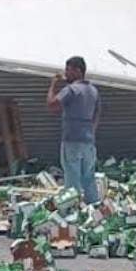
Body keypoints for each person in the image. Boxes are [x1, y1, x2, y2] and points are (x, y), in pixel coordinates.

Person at [46, 55, 101, 204]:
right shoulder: (93, 90)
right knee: (89, 177)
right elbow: (97, 114)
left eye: (68, 70)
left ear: (77, 71)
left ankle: (73, 211)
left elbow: (52, 105)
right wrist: (91, 132)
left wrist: (53, 84)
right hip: (88, 141)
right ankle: (94, 208)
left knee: (72, 178)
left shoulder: (71, 90)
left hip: (72, 139)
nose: (65, 73)